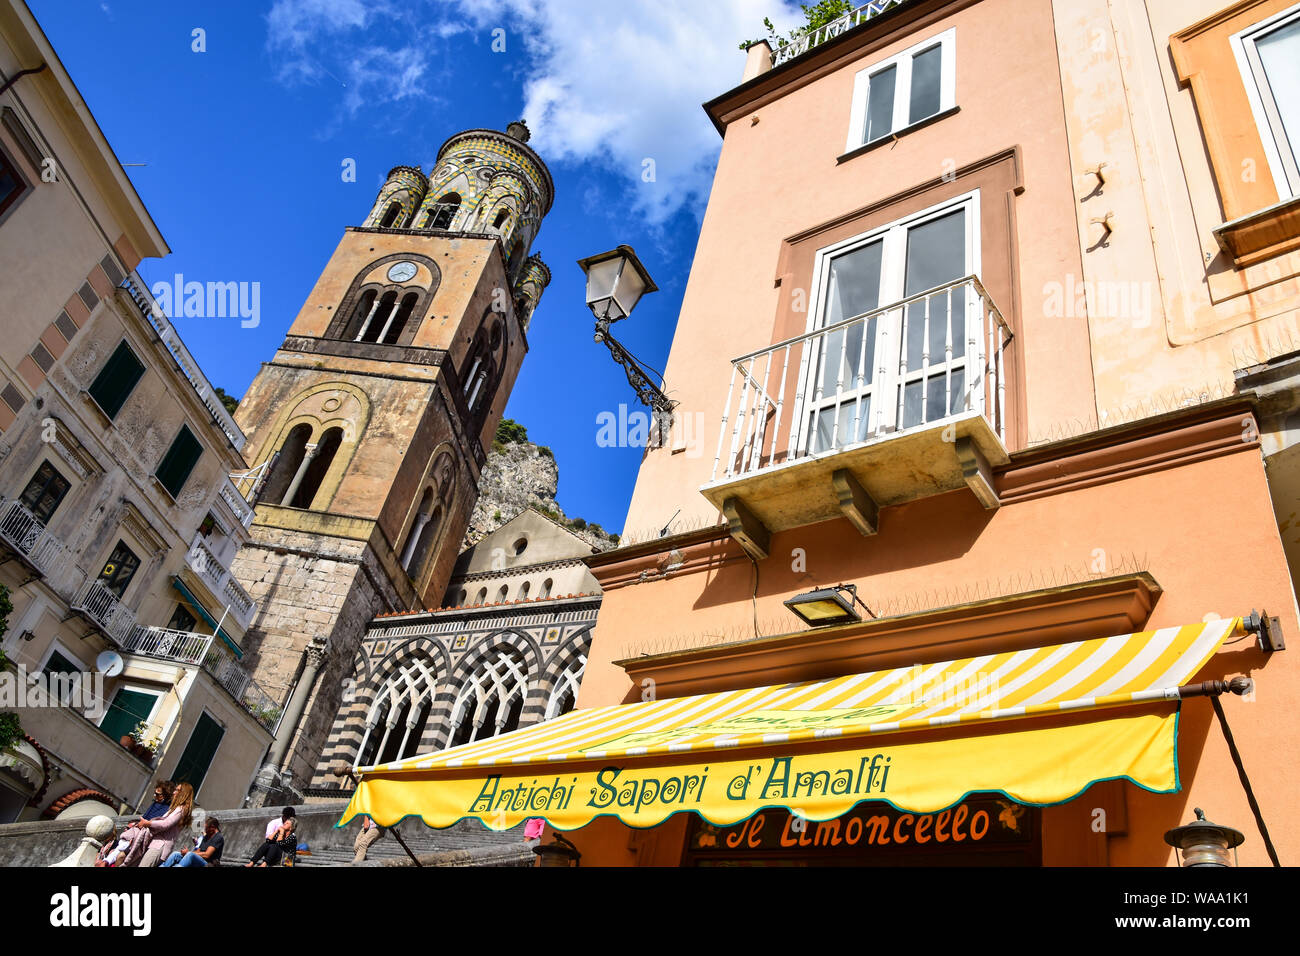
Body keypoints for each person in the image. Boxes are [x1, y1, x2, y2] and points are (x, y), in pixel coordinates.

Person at [134, 781, 194, 867]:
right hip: (157, 844)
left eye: (177, 790)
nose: (174, 792)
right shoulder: (176, 809)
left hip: (160, 845)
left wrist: (148, 823)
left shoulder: (181, 809)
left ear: (183, 793)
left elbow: (166, 823)